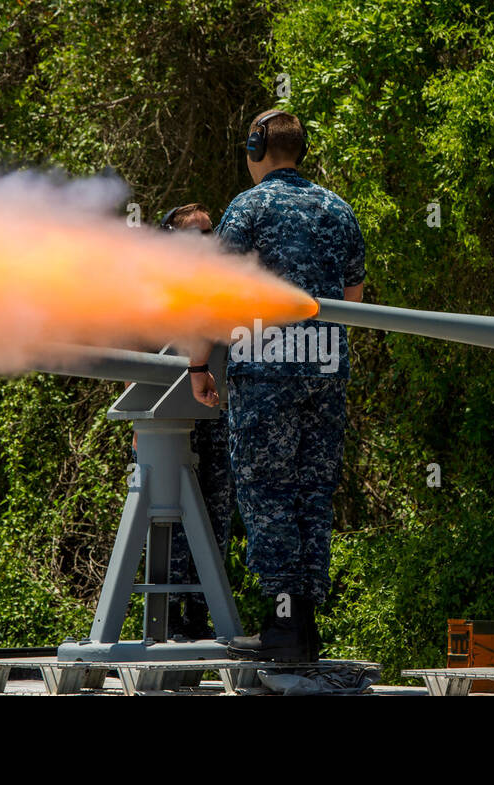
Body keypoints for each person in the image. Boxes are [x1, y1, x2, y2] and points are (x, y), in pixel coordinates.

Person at [186, 109, 365, 662]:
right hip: (327, 371)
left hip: (266, 373)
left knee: (268, 493)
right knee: (313, 493)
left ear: (256, 147)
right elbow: (352, 298)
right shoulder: (337, 207)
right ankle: (304, 628)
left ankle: (281, 629)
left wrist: (198, 366)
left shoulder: (249, 206)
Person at [156, 203, 233, 640]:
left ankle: (200, 615)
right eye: (195, 234)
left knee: (215, 514)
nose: (206, 242)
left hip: (215, 415)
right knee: (167, 512)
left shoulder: (226, 285)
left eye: (210, 232)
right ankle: (163, 614)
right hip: (168, 422)